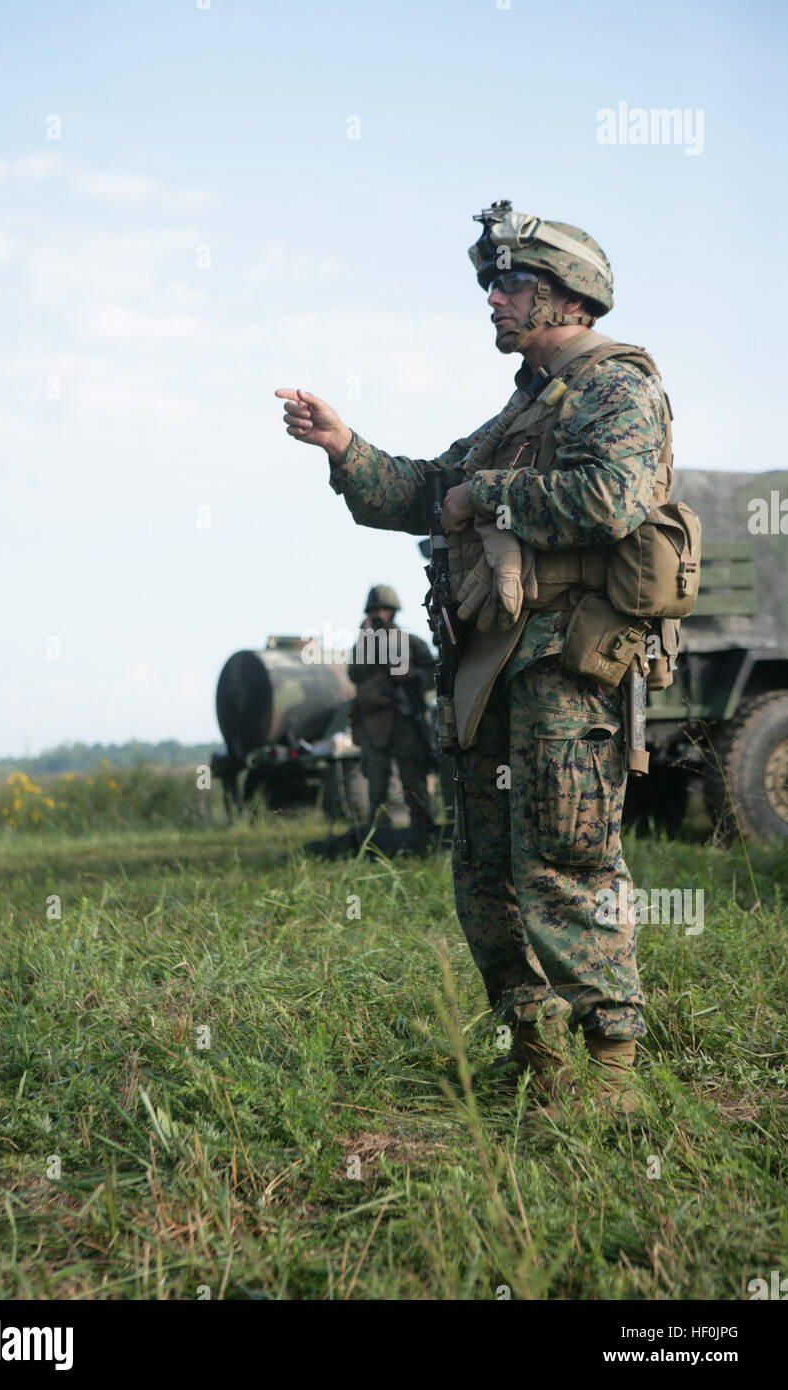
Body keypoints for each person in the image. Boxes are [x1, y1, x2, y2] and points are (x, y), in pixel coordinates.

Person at [276, 200, 673, 1120]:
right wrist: (344, 447)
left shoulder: (618, 387)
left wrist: (482, 496)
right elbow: (427, 490)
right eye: (492, 283)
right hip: (492, 670)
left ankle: (613, 1073)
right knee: (485, 866)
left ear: (566, 297)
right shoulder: (518, 413)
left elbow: (613, 498)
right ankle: (536, 1055)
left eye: (510, 283)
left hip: (568, 673)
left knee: (568, 860)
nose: (492, 299)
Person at [348, 584, 436, 830]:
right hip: (374, 723)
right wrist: (365, 640)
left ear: (393, 611)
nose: (379, 614)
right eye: (374, 609)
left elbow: (433, 670)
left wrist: (412, 675)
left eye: (384, 609)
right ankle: (377, 837)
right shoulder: (363, 645)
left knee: (413, 781)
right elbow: (354, 673)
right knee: (376, 786)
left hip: (405, 720)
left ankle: (424, 833)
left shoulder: (409, 642)